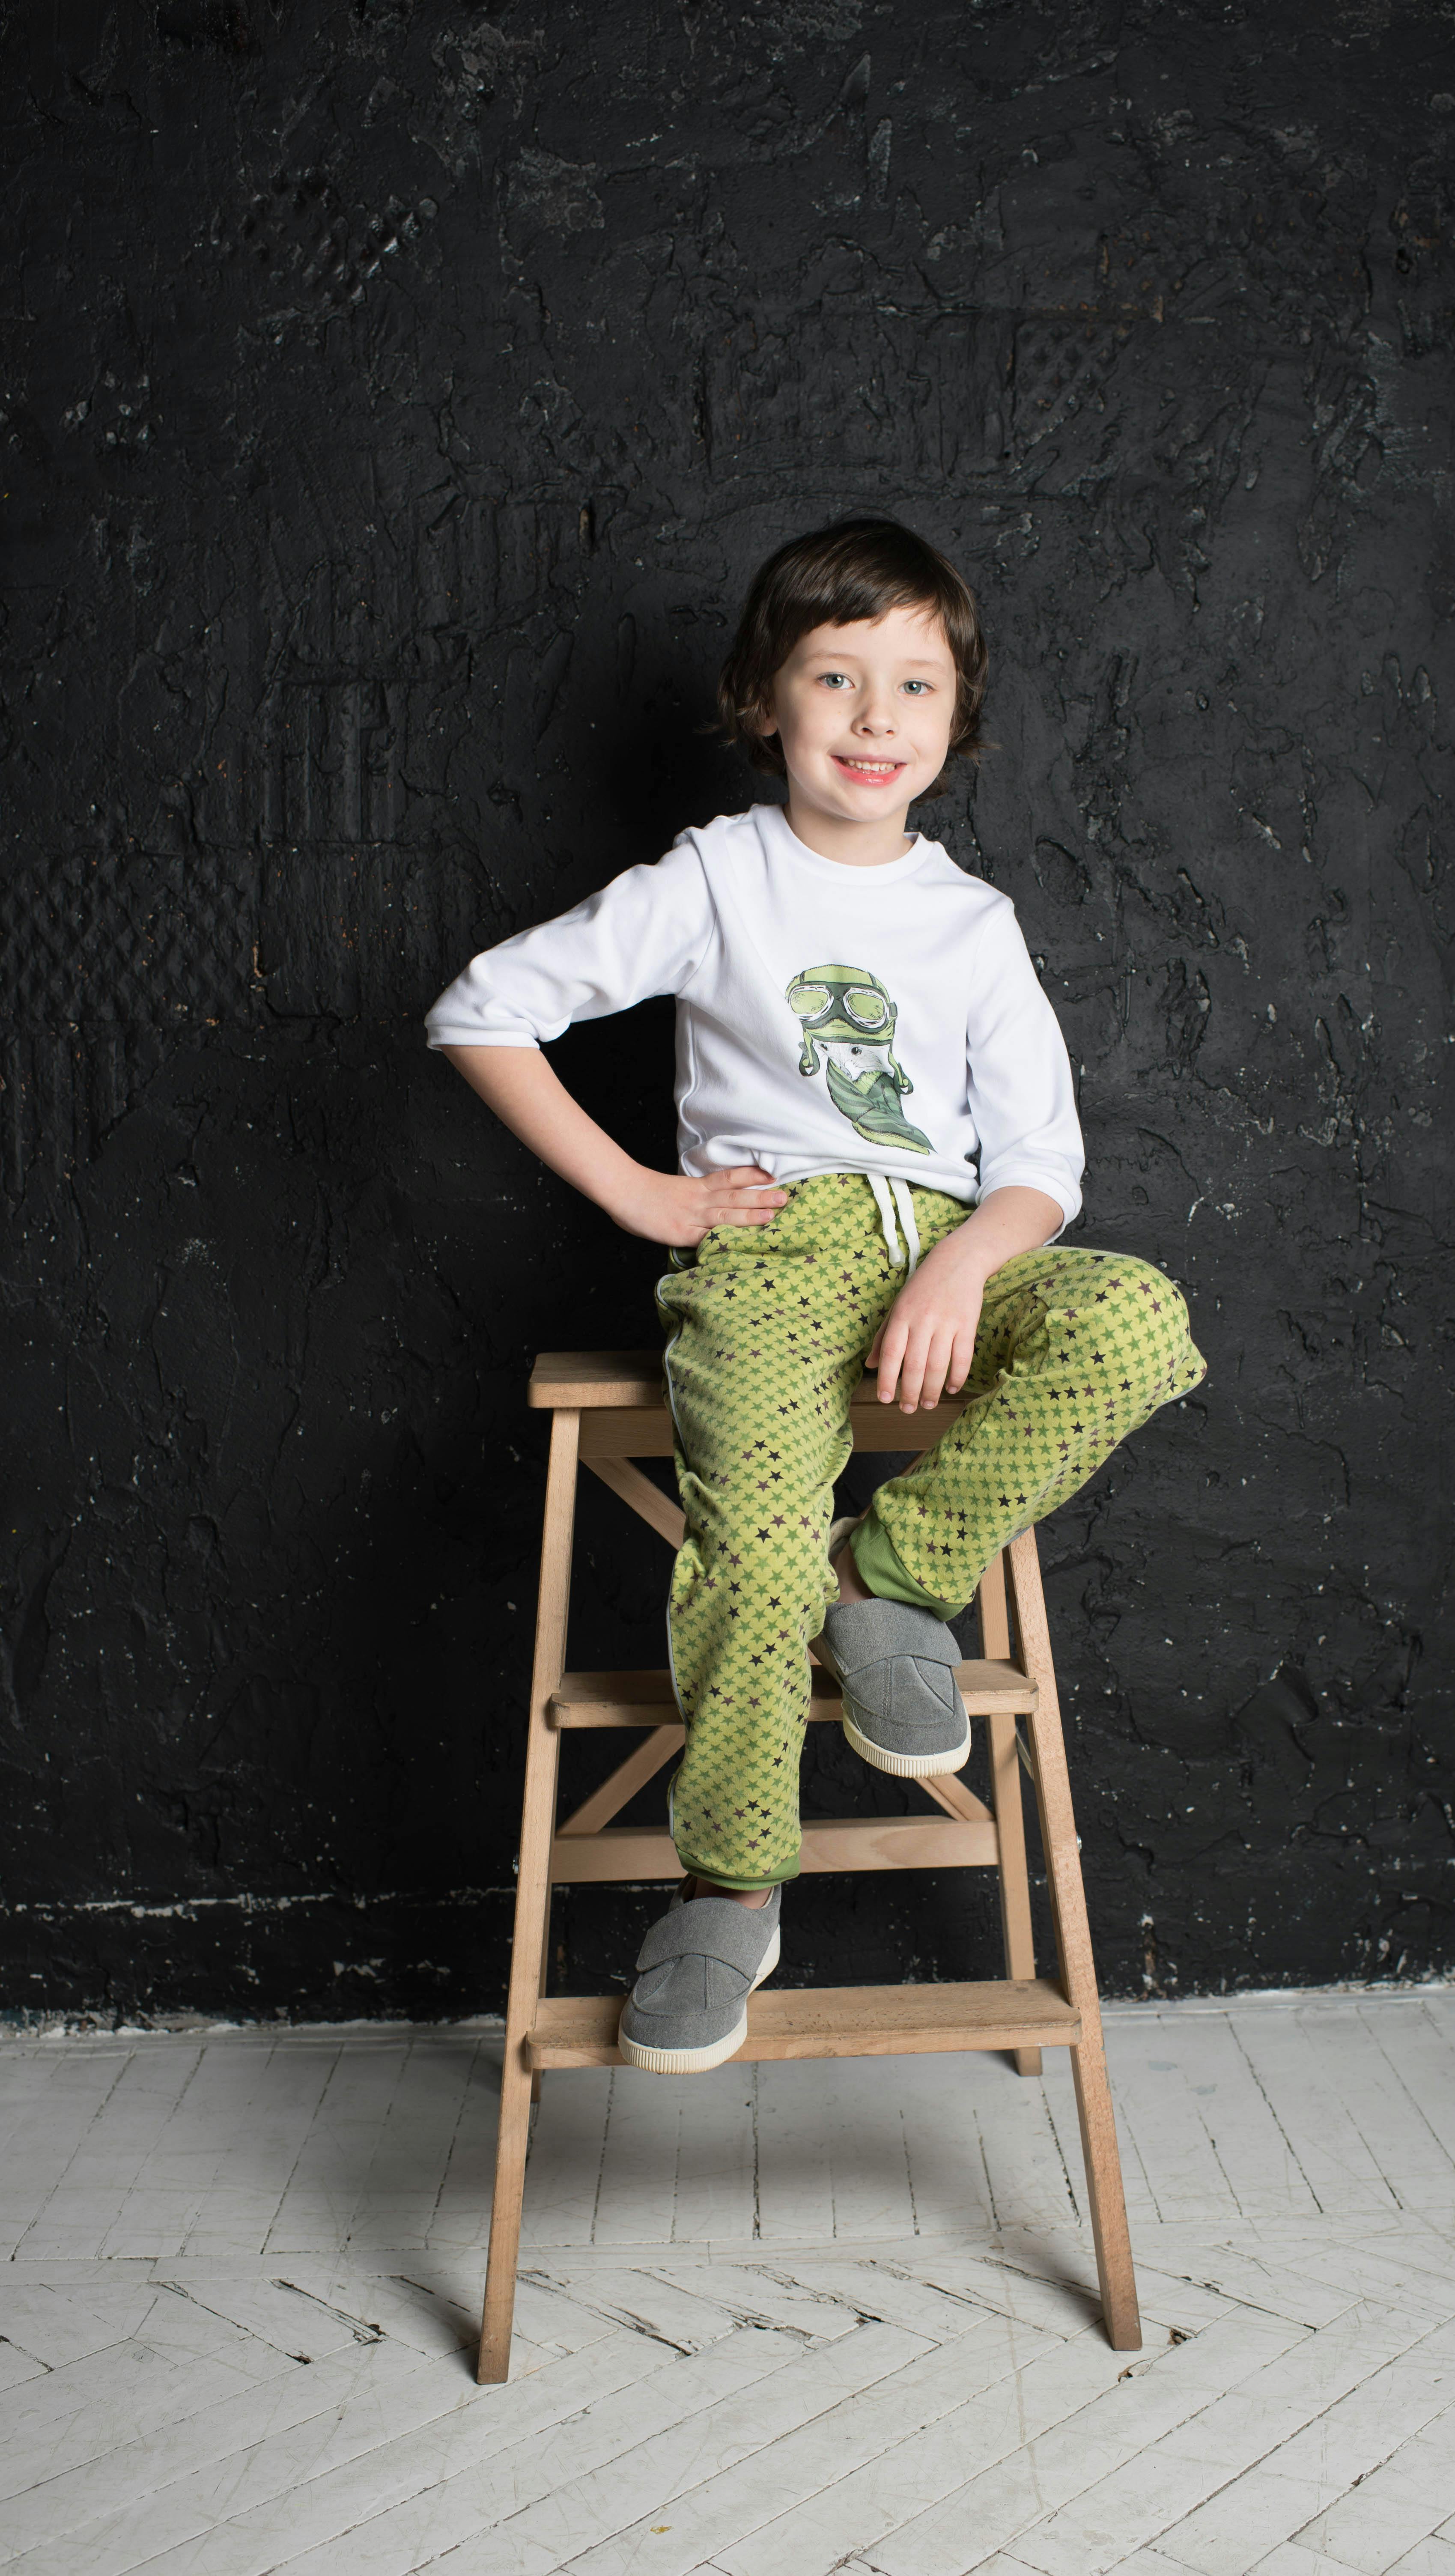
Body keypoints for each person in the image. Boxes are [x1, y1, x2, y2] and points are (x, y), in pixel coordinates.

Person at [425, 516, 1206, 2074]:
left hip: (953, 1246)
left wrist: (966, 1265)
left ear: (956, 720)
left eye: (914, 686)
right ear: (766, 697)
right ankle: (729, 1887)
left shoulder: (973, 923)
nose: (874, 717)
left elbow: (1041, 1165)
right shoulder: (721, 876)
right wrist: (644, 1193)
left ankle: (895, 1575)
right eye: (836, 677)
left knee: (1137, 1319)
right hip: (774, 1256)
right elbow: (483, 1009)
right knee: (757, 1554)